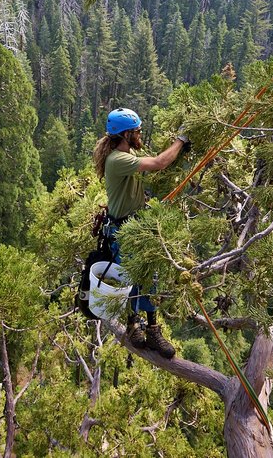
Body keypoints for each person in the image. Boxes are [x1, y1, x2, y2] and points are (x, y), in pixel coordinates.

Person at [92, 107, 189, 358]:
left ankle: (151, 328)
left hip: (134, 224)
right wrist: (181, 139)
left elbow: (157, 164)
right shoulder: (118, 159)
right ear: (126, 134)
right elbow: (158, 163)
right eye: (137, 131)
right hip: (124, 228)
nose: (140, 135)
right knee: (135, 276)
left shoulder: (126, 154)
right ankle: (135, 326)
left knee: (148, 276)